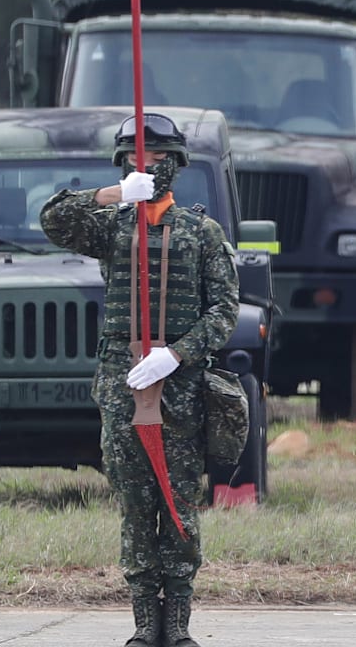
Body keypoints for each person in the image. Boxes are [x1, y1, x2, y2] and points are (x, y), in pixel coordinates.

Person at [41, 113, 239, 647]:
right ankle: (142, 624)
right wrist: (112, 194)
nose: (145, 166)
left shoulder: (202, 233)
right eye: (134, 159)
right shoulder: (114, 227)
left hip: (179, 390)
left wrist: (176, 354)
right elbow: (54, 220)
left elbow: (224, 310)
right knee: (134, 506)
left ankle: (176, 623)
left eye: (154, 159)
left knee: (177, 508)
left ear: (175, 165)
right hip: (122, 387)